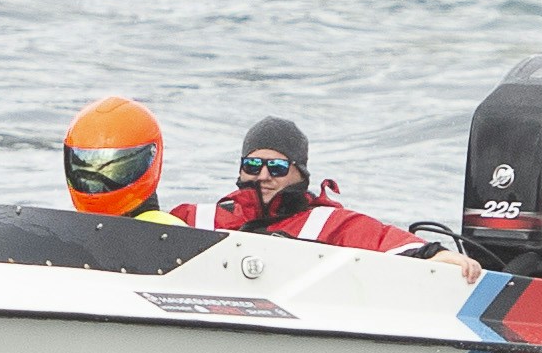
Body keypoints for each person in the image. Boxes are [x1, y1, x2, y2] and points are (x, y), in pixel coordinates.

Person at [166, 115, 484, 282]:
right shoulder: (199, 217)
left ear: (300, 173)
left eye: (276, 167)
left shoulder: (328, 223)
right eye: (252, 165)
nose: (263, 176)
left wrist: (437, 256)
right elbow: (148, 228)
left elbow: (384, 240)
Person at [61, 96, 180, 223]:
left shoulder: (169, 227)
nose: (95, 188)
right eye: (84, 170)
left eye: (114, 170)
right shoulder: (66, 225)